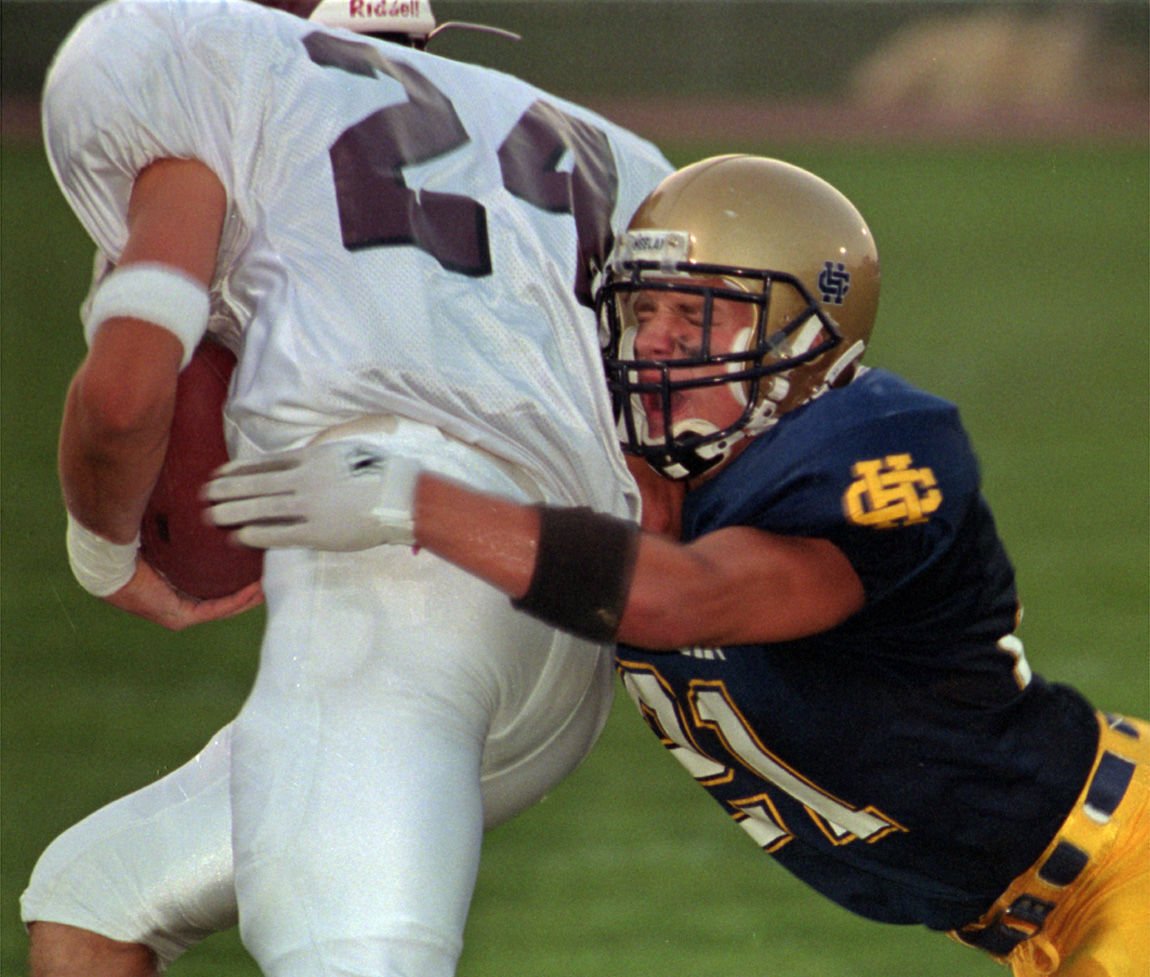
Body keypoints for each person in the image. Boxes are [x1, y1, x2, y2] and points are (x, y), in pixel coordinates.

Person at [207, 154, 1149, 977]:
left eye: (698, 316)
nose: (654, 341)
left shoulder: (879, 449)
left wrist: (410, 499)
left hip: (1126, 863)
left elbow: (686, 599)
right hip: (1038, 914)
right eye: (642, 310)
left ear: (808, 340)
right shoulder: (643, 474)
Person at [21, 0, 672, 974]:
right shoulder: (620, 159)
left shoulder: (224, 79)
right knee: (92, 893)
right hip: (566, 629)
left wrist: (104, 551)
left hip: (404, 574)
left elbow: (122, 397)